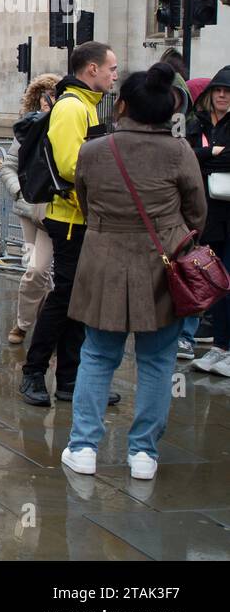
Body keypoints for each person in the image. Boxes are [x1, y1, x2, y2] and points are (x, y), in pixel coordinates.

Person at [60, 62, 206, 481]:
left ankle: (84, 446)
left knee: (97, 355)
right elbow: (197, 213)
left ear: (121, 105)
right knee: (158, 361)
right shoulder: (179, 152)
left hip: (103, 262)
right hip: (162, 266)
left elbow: (86, 204)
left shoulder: (94, 150)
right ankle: (143, 453)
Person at [20, 40, 119, 407]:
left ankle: (68, 380)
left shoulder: (87, 107)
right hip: (71, 220)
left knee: (78, 299)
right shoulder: (73, 108)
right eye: (111, 68)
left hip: (83, 218)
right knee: (65, 298)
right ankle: (33, 372)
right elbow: (71, 168)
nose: (115, 74)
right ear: (91, 69)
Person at [0, 73, 60, 344]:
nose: (49, 101)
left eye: (53, 95)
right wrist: (19, 191)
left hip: (53, 212)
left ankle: (24, 324)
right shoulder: (27, 129)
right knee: (35, 268)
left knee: (38, 270)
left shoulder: (64, 127)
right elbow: (7, 167)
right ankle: (39, 320)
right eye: (45, 96)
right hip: (27, 211)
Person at [189, 66, 230, 375]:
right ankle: (218, 346)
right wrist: (209, 153)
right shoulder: (196, 122)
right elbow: (183, 155)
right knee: (213, 281)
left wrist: (205, 155)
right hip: (208, 215)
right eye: (218, 90)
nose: (222, 95)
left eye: (227, 92)